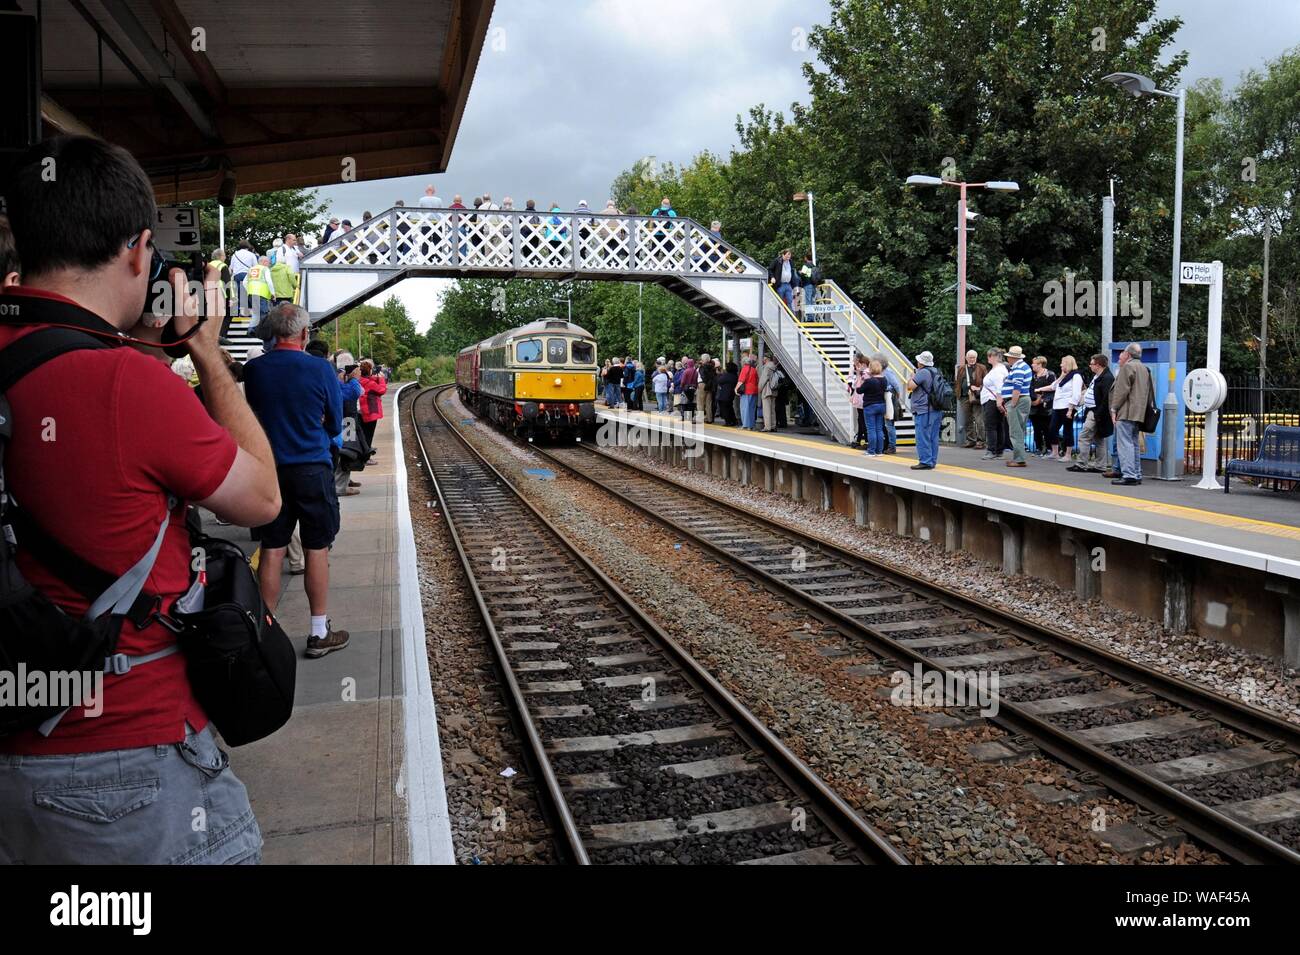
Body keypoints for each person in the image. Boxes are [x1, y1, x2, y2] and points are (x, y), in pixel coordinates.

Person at [0, 134, 280, 864]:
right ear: (139, 251)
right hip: (129, 767)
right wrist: (207, 355)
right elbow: (261, 497)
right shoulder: (130, 383)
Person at [242, 303, 349, 657]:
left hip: (269, 471)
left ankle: (264, 631)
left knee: (272, 548)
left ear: (273, 333)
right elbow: (335, 424)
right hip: (312, 469)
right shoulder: (320, 369)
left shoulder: (255, 370)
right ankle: (319, 632)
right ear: (304, 334)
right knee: (316, 547)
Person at [1109, 342, 1151, 486]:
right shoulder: (1144, 368)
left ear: (1128, 354)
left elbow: (1121, 391)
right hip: (1138, 412)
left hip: (1126, 411)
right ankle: (1136, 473)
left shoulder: (1128, 367)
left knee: (1125, 444)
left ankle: (1129, 474)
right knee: (1134, 443)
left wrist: (1114, 408)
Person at [1071, 354, 1114, 474]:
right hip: (1091, 410)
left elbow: (1106, 398)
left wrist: (1098, 413)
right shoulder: (1097, 376)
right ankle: (1100, 465)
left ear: (1098, 365)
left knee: (1084, 436)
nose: (1090, 366)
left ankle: (1081, 463)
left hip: (1095, 412)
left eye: (1092, 363)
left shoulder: (1107, 378)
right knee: (1098, 438)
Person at [1038, 355, 1083, 461]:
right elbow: (1053, 386)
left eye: (1062, 362)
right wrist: (1039, 389)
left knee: (1068, 430)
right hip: (1057, 406)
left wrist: (1071, 409)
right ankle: (1055, 452)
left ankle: (1068, 455)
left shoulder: (1076, 376)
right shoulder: (1064, 376)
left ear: (1067, 363)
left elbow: (1076, 394)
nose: (1060, 364)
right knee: (1052, 429)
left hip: (1067, 406)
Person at [906, 351, 943, 470]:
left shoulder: (922, 373)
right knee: (933, 436)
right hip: (936, 408)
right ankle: (932, 461)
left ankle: (925, 461)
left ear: (921, 362)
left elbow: (910, 387)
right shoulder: (936, 371)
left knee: (922, 435)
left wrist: (911, 377)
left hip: (924, 409)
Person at [1001, 345, 1033, 467]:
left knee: (1015, 430)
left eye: (1008, 357)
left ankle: (1019, 459)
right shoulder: (1023, 366)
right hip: (1022, 400)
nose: (1007, 359)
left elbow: (1017, 388)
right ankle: (1018, 457)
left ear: (1012, 358)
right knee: (1019, 429)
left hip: (1017, 400)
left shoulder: (1018, 368)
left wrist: (1012, 404)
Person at [980, 348, 1009, 459]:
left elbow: (999, 387)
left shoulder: (997, 371)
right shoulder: (999, 369)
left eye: (989, 356)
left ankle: (991, 450)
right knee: (998, 425)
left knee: (991, 426)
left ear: (995, 357)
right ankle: (998, 450)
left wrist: (998, 402)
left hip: (992, 400)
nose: (988, 358)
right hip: (993, 400)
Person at [955, 349, 986, 449]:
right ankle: (970, 440)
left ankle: (981, 441)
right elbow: (958, 381)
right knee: (967, 420)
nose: (972, 359)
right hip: (964, 396)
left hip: (977, 397)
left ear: (976, 358)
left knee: (979, 420)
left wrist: (978, 388)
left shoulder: (981, 368)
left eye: (974, 357)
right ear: (966, 358)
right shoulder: (961, 368)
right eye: (970, 357)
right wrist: (958, 393)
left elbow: (987, 382)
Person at [858, 359, 888, 455]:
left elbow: (859, 390)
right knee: (879, 429)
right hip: (881, 405)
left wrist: (860, 377)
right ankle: (879, 451)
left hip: (870, 406)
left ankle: (871, 451)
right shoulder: (884, 380)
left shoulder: (869, 381)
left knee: (871, 429)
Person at [876, 353, 904, 454]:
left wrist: (897, 395)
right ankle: (888, 444)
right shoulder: (883, 372)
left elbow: (895, 384)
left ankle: (892, 446)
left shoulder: (887, 372)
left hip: (889, 398)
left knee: (889, 423)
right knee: (887, 424)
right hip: (886, 398)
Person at [358, 359, 388, 448]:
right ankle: (367, 457)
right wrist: (382, 379)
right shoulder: (370, 384)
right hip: (370, 412)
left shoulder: (358, 381)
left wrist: (376, 377)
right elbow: (382, 390)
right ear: (370, 371)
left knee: (361, 434)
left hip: (359, 412)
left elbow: (369, 378)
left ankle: (361, 454)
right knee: (368, 435)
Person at [1028, 356, 1054, 456]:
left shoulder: (1050, 375)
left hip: (1045, 407)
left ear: (1040, 364)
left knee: (1047, 428)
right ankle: (1038, 448)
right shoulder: (1033, 376)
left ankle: (1049, 448)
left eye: (1033, 363)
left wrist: (1041, 400)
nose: (1032, 365)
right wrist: (1032, 401)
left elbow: (1053, 390)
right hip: (1034, 407)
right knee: (1036, 428)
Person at [229, 240, 258, 316]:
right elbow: (255, 267)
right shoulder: (251, 255)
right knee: (248, 293)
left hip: (237, 275)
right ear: (248, 246)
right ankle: (248, 311)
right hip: (248, 275)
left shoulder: (235, 255)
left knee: (239, 293)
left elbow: (231, 268)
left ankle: (241, 311)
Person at [848, 354, 868, 447]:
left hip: (861, 395)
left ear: (858, 360)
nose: (853, 362)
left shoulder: (861, 370)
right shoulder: (865, 368)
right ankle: (862, 438)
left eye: (854, 360)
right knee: (862, 418)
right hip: (863, 395)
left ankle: (862, 439)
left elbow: (854, 381)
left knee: (861, 418)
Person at [759, 354, 781, 432]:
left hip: (767, 390)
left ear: (766, 358)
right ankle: (773, 425)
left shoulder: (767, 367)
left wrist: (759, 388)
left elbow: (763, 379)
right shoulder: (774, 366)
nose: (762, 359)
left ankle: (767, 427)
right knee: (772, 409)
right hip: (774, 390)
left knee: (766, 409)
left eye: (763, 357)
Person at [737, 355, 759, 429]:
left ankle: (745, 425)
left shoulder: (744, 369)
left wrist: (736, 389)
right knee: (752, 408)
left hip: (746, 391)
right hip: (754, 390)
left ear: (743, 362)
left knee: (744, 408)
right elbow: (757, 380)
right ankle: (751, 425)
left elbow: (741, 381)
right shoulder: (754, 369)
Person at [715, 361, 739, 426]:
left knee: (724, 408)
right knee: (730, 407)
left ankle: (728, 421)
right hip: (731, 394)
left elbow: (719, 380)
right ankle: (734, 420)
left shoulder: (727, 375)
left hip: (724, 395)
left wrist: (719, 374)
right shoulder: (735, 376)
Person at [697, 352, 716, 422]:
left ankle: (700, 418)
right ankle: (709, 418)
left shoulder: (702, 367)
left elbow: (703, 376)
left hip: (702, 384)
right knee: (709, 403)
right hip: (710, 385)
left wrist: (705, 382)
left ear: (703, 360)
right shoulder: (712, 367)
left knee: (700, 402)